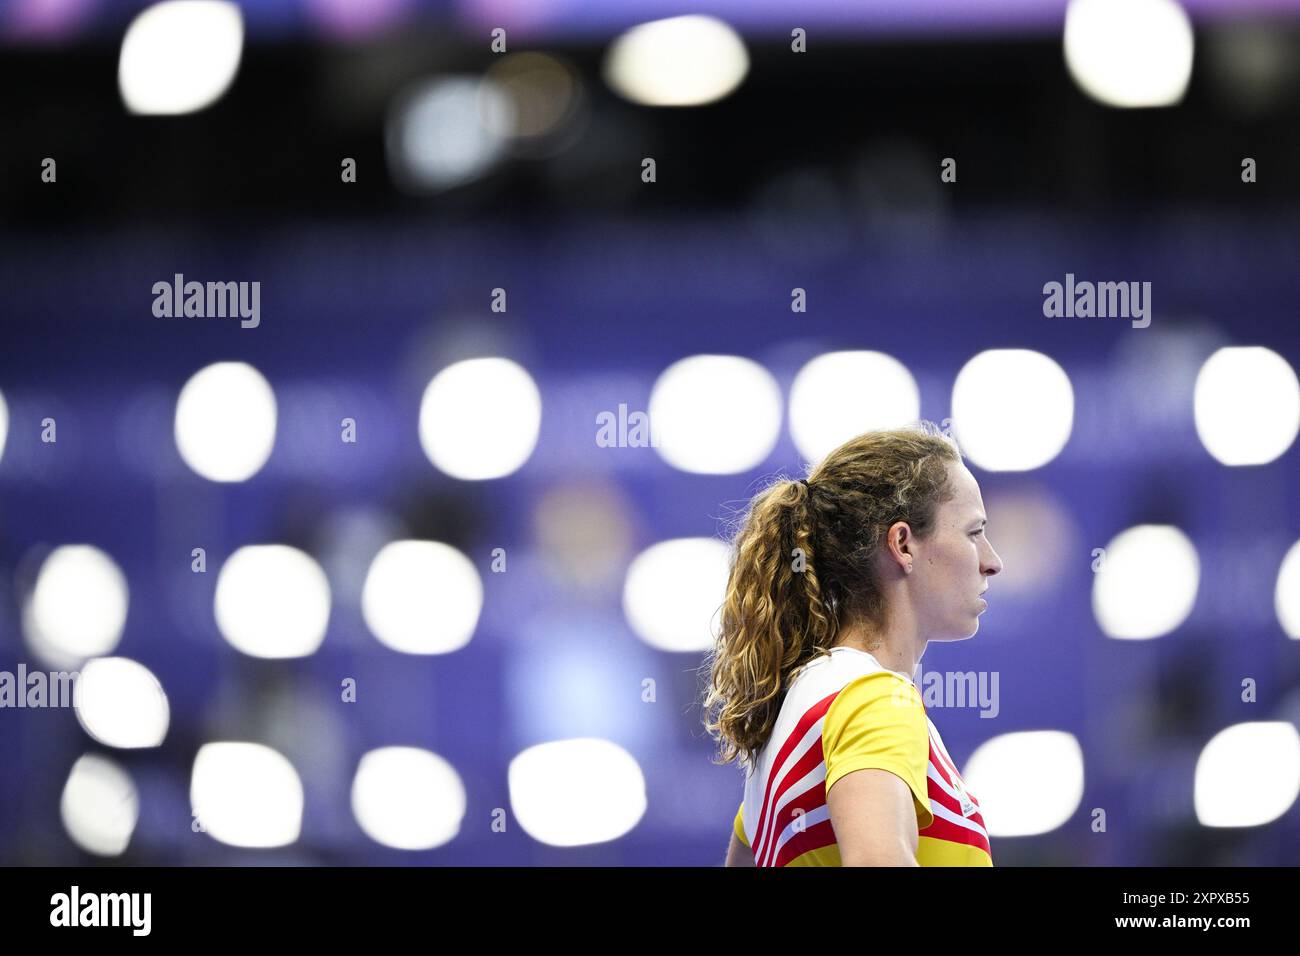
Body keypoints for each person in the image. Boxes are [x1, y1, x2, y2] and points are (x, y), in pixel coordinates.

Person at [702, 422, 1003, 866]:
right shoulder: (875, 700)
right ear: (903, 544)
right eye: (974, 532)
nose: (991, 561)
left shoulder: (782, 733)